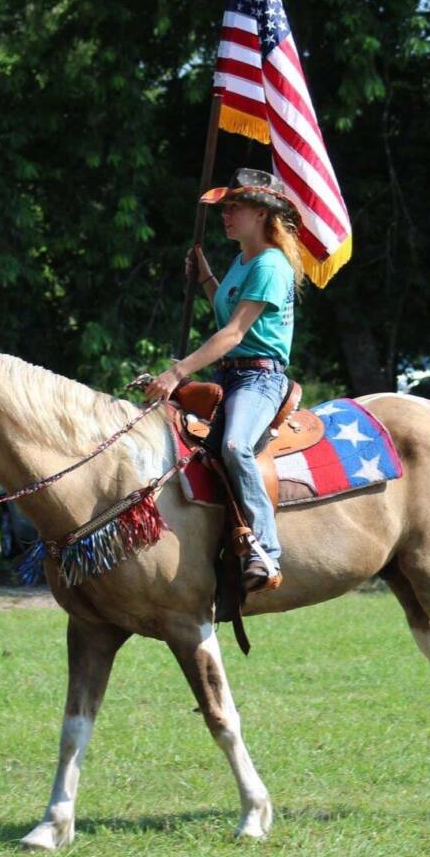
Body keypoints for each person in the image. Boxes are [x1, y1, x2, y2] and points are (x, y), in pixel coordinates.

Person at [146, 168, 304, 593]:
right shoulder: (243, 261)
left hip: (259, 381)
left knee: (235, 446)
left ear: (260, 214)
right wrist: (205, 276)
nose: (226, 215)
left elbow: (234, 333)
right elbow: (224, 305)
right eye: (225, 208)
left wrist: (179, 371)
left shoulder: (271, 264)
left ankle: (266, 551)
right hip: (229, 377)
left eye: (235, 208)